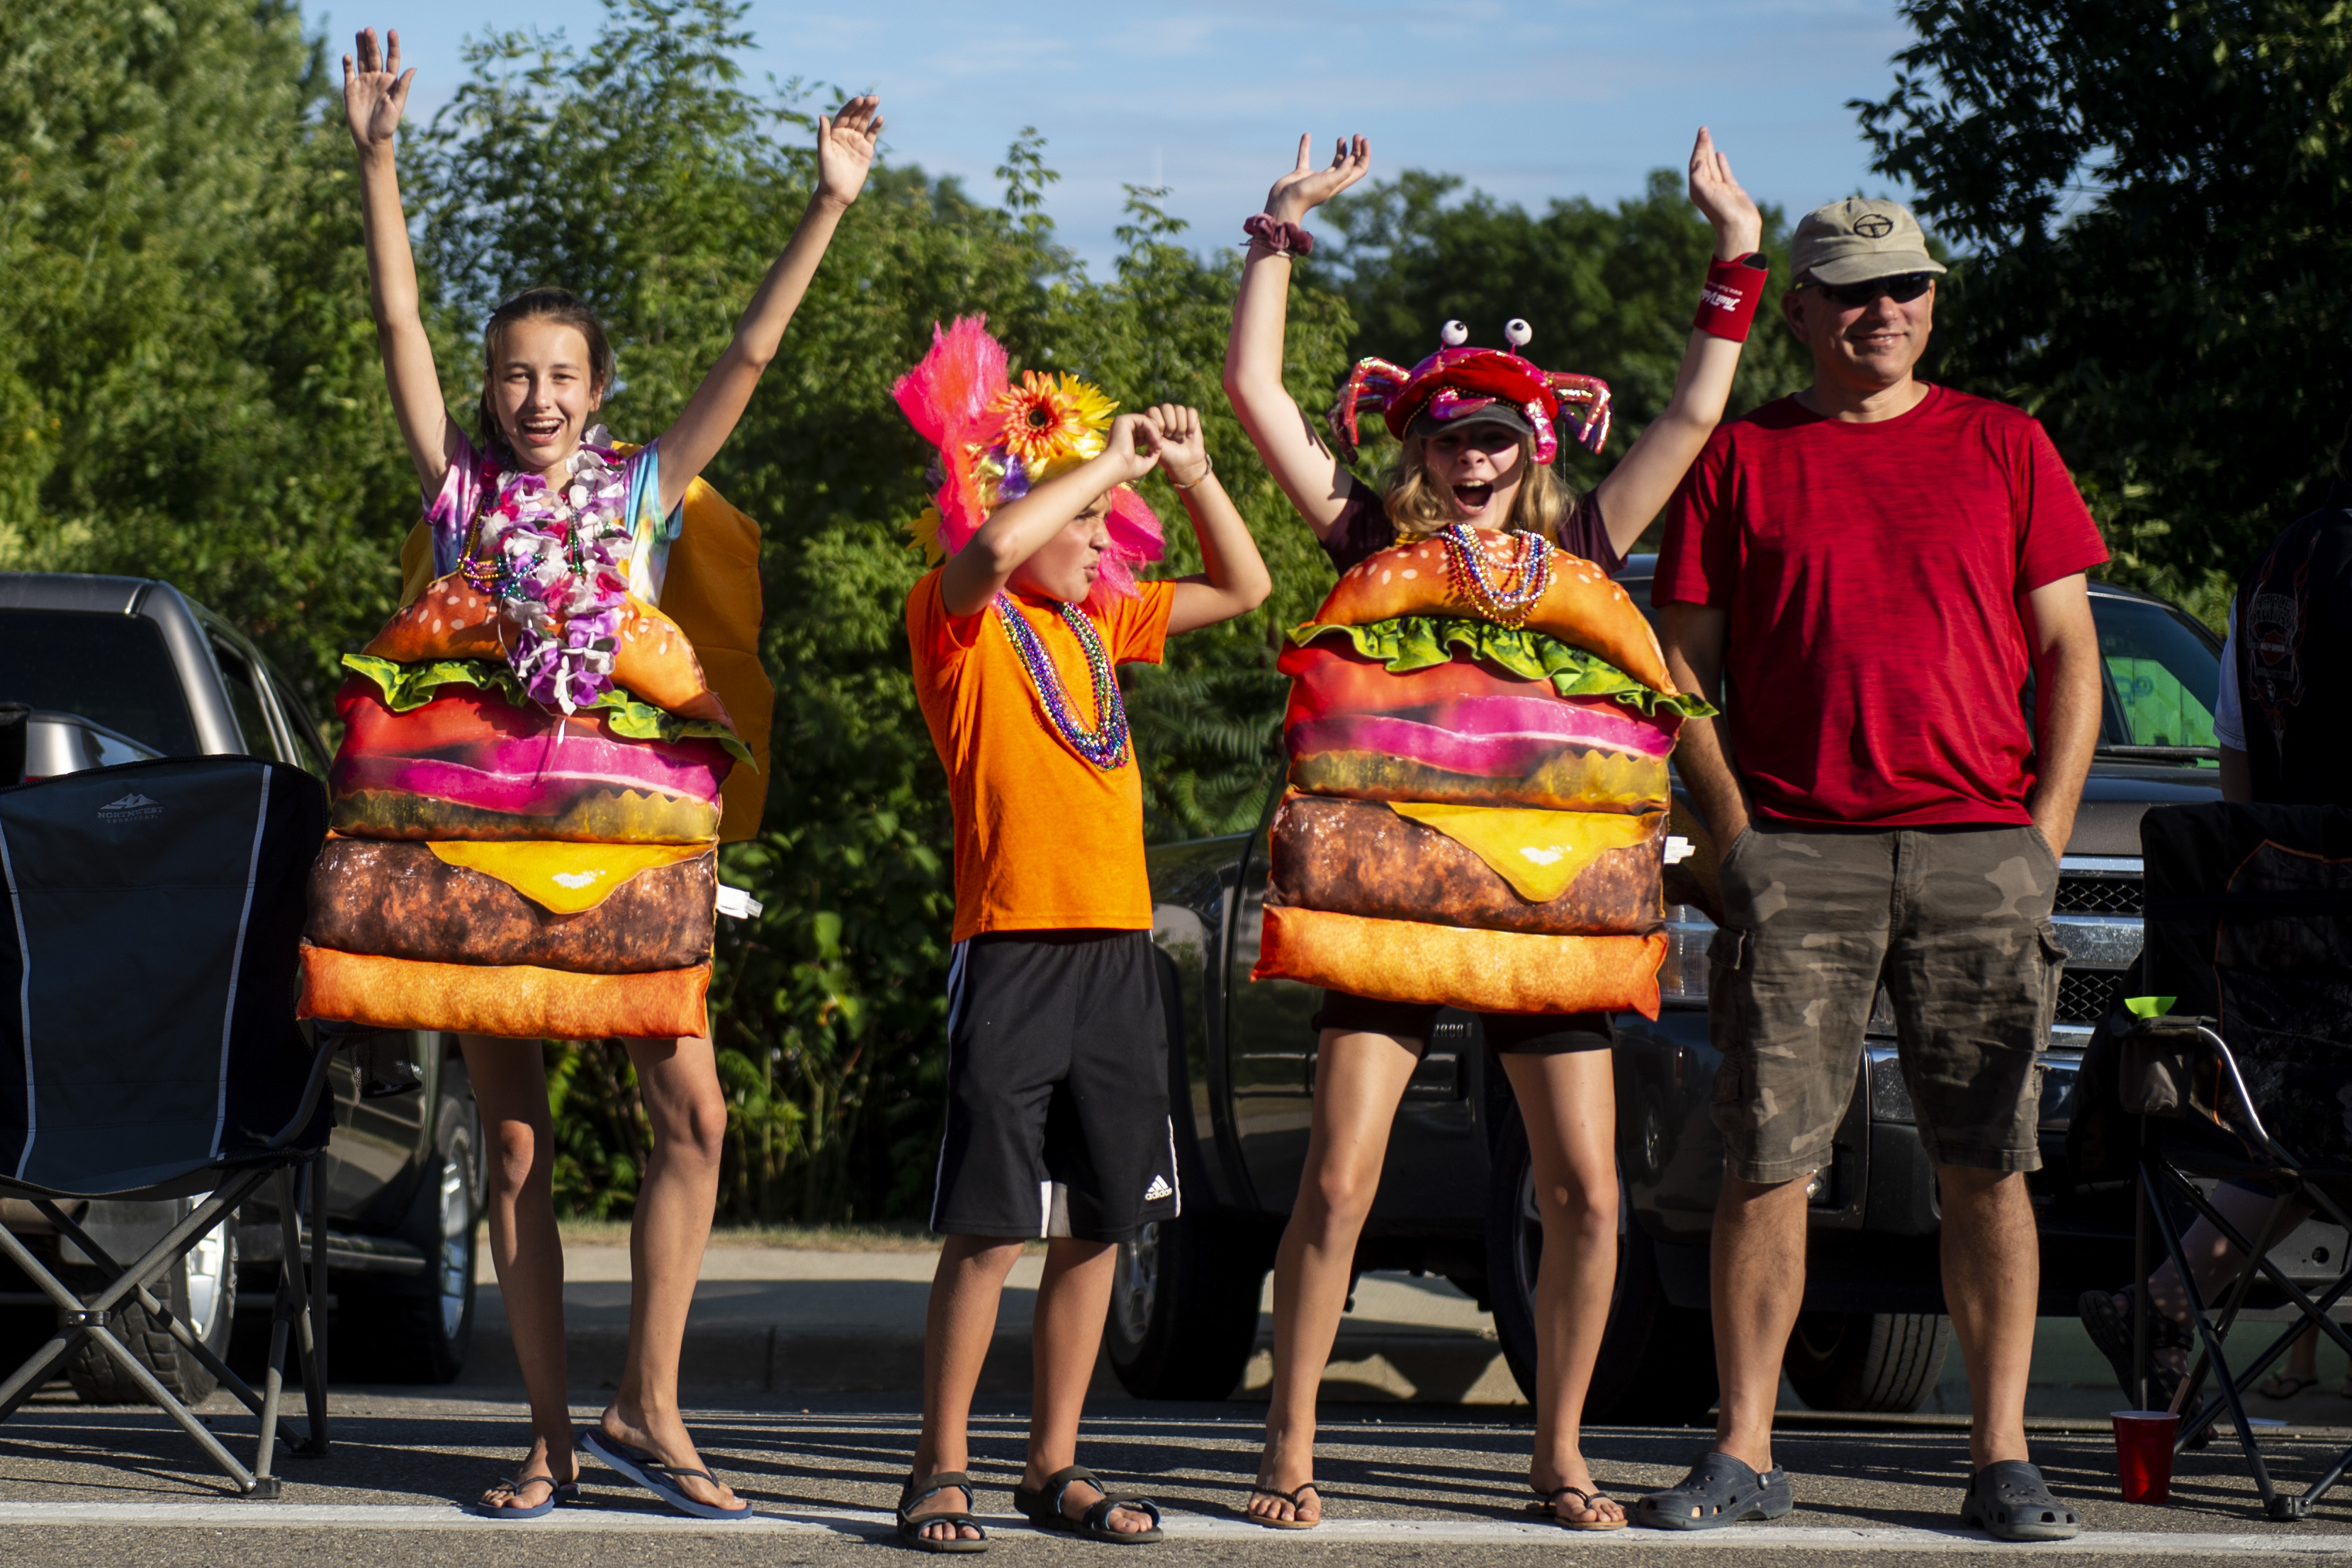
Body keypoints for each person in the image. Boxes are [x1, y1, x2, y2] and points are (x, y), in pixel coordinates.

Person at [342, 28, 879, 1519]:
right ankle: (548, 1437)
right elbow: (398, 322)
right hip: (480, 851)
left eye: (561, 375)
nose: (535, 395)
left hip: (629, 848)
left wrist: (827, 201)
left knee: (693, 1118)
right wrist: (380, 164)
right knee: (514, 1146)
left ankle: (650, 1402)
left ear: (597, 390)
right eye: (515, 373)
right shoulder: (459, 492)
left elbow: (749, 357)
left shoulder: (645, 491)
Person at [1221, 128, 1765, 1530]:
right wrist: (1278, 228)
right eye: (1454, 437)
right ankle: (1289, 1443)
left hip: (1543, 912)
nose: (1474, 459)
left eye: (1497, 441)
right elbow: (1256, 394)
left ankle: (1557, 1453)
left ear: (1531, 452)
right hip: (1391, 907)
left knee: (1587, 1194)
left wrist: (1735, 251)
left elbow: (1693, 416)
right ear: (1421, 446)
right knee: (1340, 1181)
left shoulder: (1582, 547)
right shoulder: (1369, 542)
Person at [1641, 197, 2107, 1542]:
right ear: (1799, 309)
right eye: (1850, 290)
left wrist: (2041, 839)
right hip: (1801, 854)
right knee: (1768, 1160)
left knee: (1988, 1161)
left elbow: (2070, 653)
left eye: (1904, 284)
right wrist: (1737, 841)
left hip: (1979, 853)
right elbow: (1679, 670)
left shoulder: (2006, 443)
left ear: (1932, 299)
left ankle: (2003, 1456)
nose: (1882, 309)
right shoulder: (1744, 458)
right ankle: (1744, 1449)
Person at [893, 319, 1272, 1551]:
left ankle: (1052, 1464)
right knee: (994, 1221)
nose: (1108, 538)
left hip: (1118, 954)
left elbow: (1248, 588)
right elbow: (995, 546)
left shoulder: (1097, 629)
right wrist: (1105, 461)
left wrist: (1194, 475)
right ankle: (940, 1462)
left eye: (1111, 522)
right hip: (1015, 949)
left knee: (1109, 1215)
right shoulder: (958, 619)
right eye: (1092, 520)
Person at [2077, 414, 2352, 1409]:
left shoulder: (2269, 575)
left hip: (2275, 991)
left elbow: (2238, 801)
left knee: (2313, 1120)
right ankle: (2165, 1297)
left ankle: (2165, 1296)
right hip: (2326, 997)